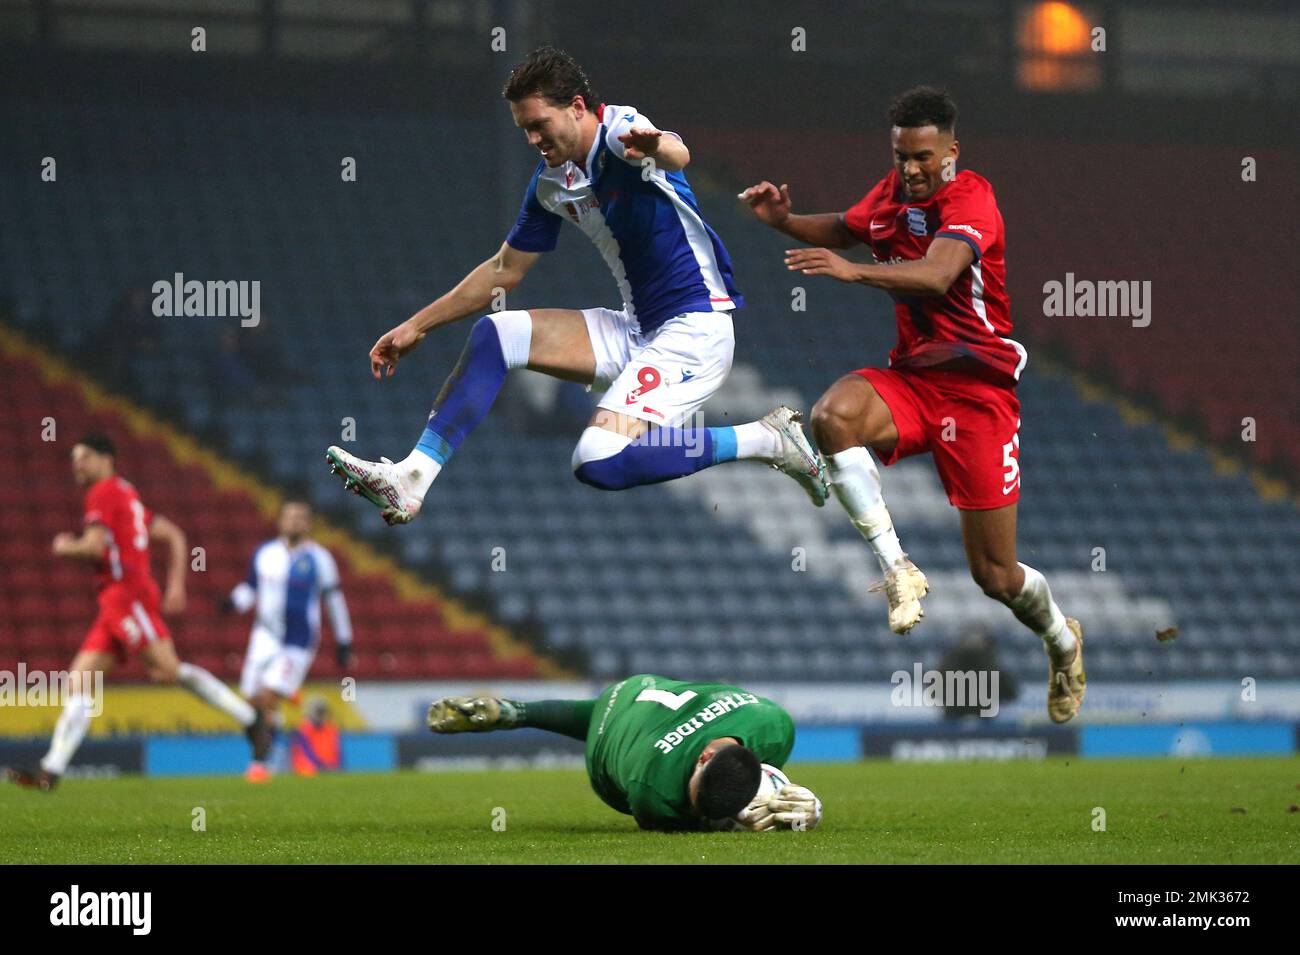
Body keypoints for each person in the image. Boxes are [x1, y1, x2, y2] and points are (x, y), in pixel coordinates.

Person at [326, 45, 827, 527]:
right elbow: (505, 269)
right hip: (637, 328)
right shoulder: (551, 182)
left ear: (578, 107)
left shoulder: (619, 133)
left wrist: (656, 146)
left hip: (693, 329)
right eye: (524, 129)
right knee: (496, 335)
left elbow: (678, 153)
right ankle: (413, 477)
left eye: (538, 124)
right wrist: (417, 325)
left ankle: (766, 440)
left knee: (597, 461)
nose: (532, 139)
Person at [740, 86, 1085, 723]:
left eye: (924, 156)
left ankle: (1062, 642)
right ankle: (898, 569)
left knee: (996, 576)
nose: (912, 168)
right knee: (830, 417)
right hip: (915, 383)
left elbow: (935, 274)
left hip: (980, 395)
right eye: (902, 155)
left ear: (952, 151)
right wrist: (784, 221)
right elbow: (846, 227)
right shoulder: (892, 193)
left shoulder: (972, 198)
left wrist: (852, 273)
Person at [6, 433, 269, 791]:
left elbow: (96, 549)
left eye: (83, 457)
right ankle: (51, 770)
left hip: (126, 595)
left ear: (105, 459)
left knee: (167, 671)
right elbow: (173, 534)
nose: (76, 465)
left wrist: (65, 547)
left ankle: (252, 720)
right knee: (80, 679)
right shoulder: (126, 494)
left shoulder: (103, 493)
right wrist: (176, 584)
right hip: (115, 601)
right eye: (73, 459)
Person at [428, 674, 823, 832]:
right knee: (608, 723)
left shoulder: (774, 725)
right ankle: (518, 712)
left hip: (641, 689)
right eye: (694, 799)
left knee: (607, 713)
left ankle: (516, 711)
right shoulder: (652, 791)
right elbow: (698, 822)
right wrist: (780, 807)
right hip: (612, 749)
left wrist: (781, 794)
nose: (690, 805)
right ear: (702, 759)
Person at [221, 499, 352, 782]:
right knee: (251, 706)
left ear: (308, 524)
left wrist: (344, 640)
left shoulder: (320, 558)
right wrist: (231, 603)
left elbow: (334, 600)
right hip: (263, 638)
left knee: (266, 698)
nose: (294, 522)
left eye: (300, 517)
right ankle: (268, 750)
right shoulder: (265, 553)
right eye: (289, 516)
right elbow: (250, 588)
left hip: (297, 642)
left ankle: (260, 763)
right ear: (280, 521)